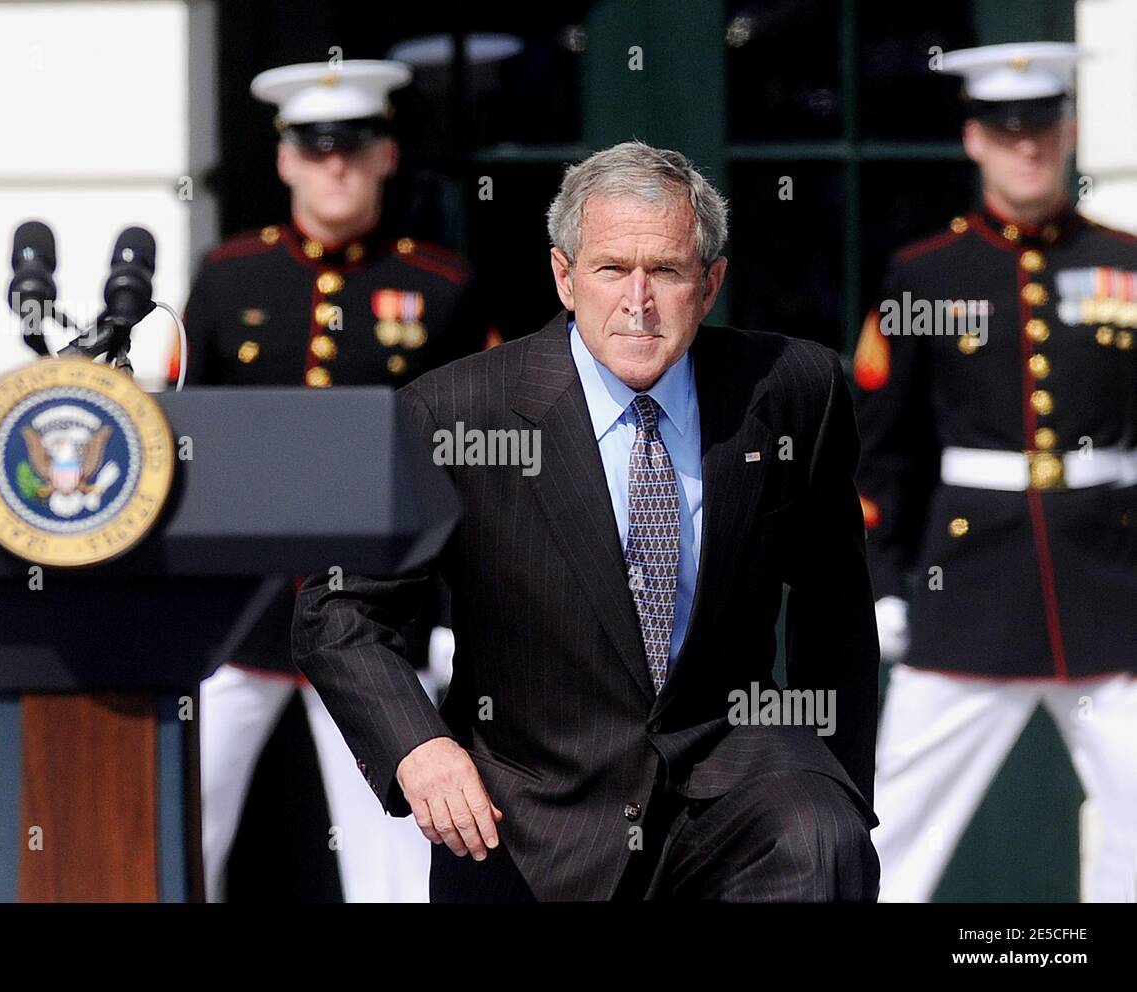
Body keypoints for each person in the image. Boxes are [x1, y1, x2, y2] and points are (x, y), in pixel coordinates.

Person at [293, 140, 881, 902]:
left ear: (709, 284)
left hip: (735, 781)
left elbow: (834, 603)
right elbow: (337, 607)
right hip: (535, 809)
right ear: (565, 278)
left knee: (816, 836)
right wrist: (419, 747)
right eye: (611, 270)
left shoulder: (793, 390)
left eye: (665, 271)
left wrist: (838, 782)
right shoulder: (456, 412)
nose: (638, 301)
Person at [175, 59, 490, 902]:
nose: (336, 166)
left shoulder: (440, 286)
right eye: (315, 151)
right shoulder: (229, 276)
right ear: (284, 161)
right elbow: (183, 442)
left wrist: (466, 614)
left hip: (380, 612)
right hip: (240, 611)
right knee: (178, 820)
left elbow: (472, 465)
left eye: (354, 146)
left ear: (387, 155)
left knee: (392, 846)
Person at [855, 42, 1137, 902]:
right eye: (1009, 132)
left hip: (1112, 586)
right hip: (967, 587)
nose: (1028, 148)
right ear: (975, 140)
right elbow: (881, 446)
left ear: (1069, 132)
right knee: (891, 823)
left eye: (1043, 129)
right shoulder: (928, 273)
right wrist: (885, 582)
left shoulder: (1128, 264)